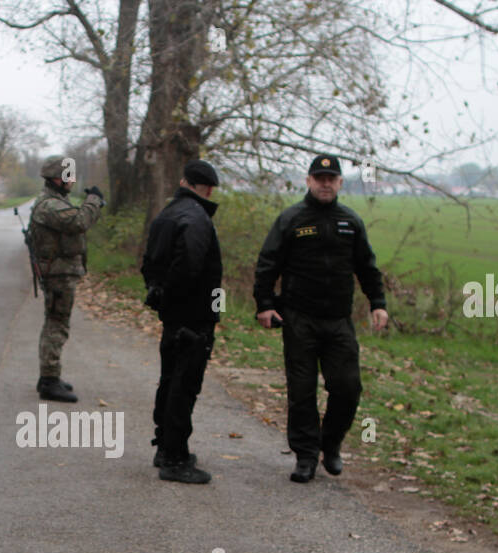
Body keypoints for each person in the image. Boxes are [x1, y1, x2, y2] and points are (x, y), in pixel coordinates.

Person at [252, 155, 389, 483]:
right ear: (308, 181)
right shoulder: (291, 219)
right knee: (301, 391)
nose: (325, 183)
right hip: (299, 319)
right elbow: (267, 264)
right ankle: (306, 455)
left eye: (331, 178)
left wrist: (378, 303)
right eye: (319, 178)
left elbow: (367, 267)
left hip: (339, 321)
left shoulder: (350, 222)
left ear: (340, 183)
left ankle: (331, 443)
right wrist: (264, 304)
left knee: (348, 388)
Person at [140, 159, 223, 484]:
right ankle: (174, 458)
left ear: (183, 180)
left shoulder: (166, 214)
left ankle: (165, 447)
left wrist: (160, 297)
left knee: (169, 378)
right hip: (193, 315)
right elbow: (190, 267)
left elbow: (148, 264)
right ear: (209, 188)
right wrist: (206, 310)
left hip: (173, 315)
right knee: (184, 384)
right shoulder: (197, 219)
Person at [26, 156, 105, 403]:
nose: (72, 181)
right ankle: (49, 381)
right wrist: (94, 200)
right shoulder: (49, 205)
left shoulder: (57, 202)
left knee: (57, 323)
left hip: (60, 272)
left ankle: (49, 377)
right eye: (69, 176)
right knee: (56, 325)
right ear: (58, 179)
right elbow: (79, 221)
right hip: (58, 275)